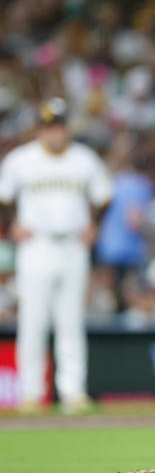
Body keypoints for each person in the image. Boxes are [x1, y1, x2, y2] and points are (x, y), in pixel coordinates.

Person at [0, 97, 113, 414]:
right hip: (35, 245)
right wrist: (11, 226)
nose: (55, 132)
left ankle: (73, 393)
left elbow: (105, 197)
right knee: (33, 321)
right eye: (49, 126)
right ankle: (30, 394)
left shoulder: (84, 159)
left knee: (71, 322)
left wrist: (94, 226)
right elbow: (4, 197)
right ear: (40, 128)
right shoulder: (21, 160)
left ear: (67, 128)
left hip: (73, 244)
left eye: (60, 126)